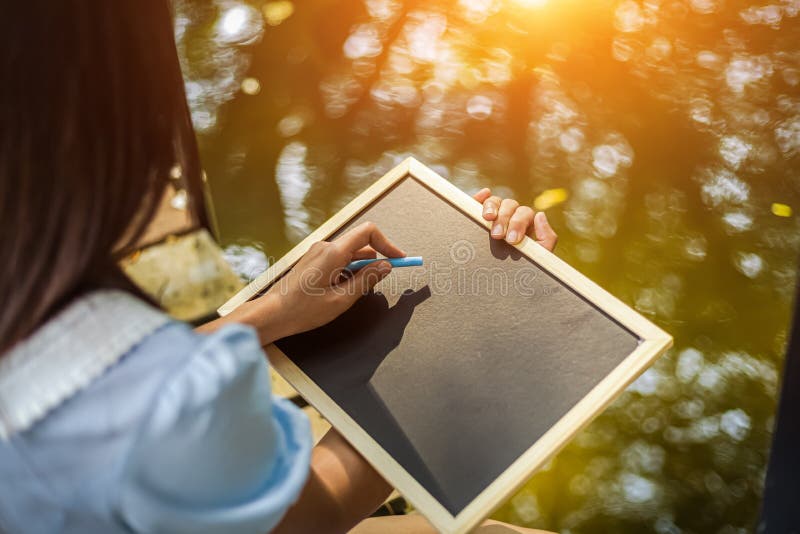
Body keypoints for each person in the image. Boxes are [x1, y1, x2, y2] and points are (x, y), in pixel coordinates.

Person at [0, 2, 557, 533]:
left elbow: (111, 380)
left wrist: (271, 313)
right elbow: (308, 517)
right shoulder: (160, 399)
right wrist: (484, 337)